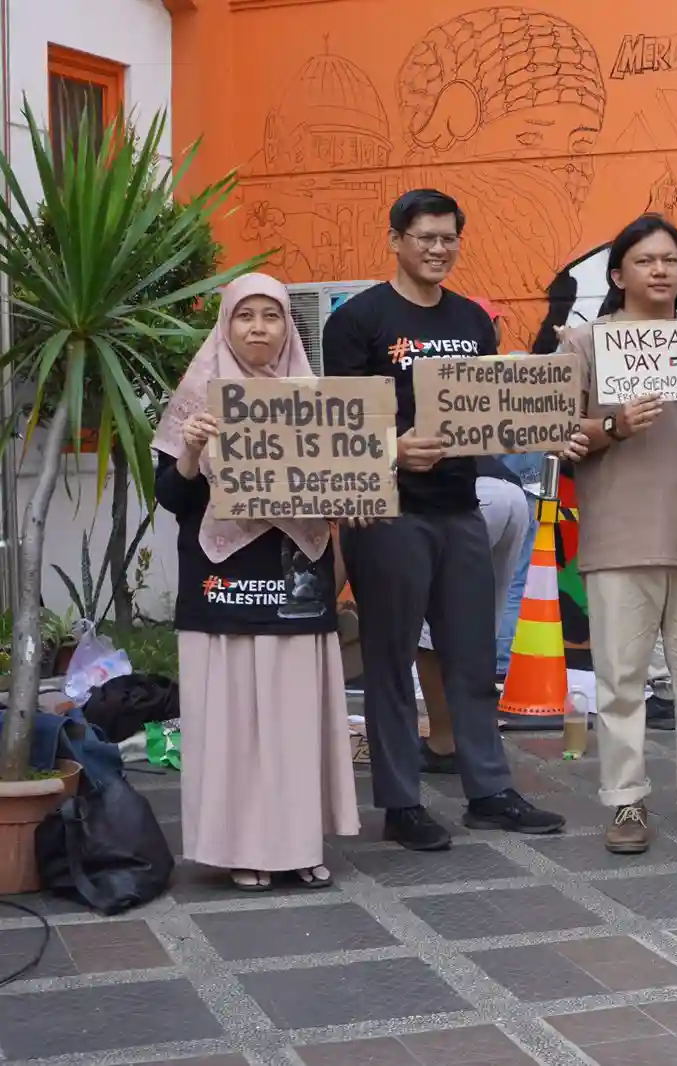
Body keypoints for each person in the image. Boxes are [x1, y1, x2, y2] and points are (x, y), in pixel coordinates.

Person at [323, 188, 579, 850]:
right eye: (425, 237)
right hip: (387, 515)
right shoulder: (356, 322)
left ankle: (489, 791)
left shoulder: (472, 321)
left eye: (448, 239)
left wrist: (539, 426)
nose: (438, 249)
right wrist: (393, 449)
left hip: (461, 508)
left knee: (470, 658)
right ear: (396, 240)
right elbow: (340, 429)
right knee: (389, 662)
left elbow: (490, 413)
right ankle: (401, 802)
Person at [154, 273, 360, 891]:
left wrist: (359, 489)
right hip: (224, 581)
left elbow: (346, 485)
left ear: (287, 326)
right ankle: (242, 848)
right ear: (226, 324)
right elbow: (171, 496)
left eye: (271, 316)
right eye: (246, 316)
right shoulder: (196, 399)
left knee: (296, 720)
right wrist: (190, 453)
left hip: (295, 576)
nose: (259, 328)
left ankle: (298, 844)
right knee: (235, 722)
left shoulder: (316, 398)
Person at [557, 213, 677, 855]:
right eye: (645, 260)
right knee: (620, 680)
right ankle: (626, 802)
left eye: (670, 260)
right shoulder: (583, 344)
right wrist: (613, 426)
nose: (660, 270)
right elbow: (560, 437)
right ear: (617, 274)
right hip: (615, 535)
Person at [418, 464, 530, 772]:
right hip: (510, 492)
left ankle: (444, 743)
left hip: (463, 495)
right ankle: (479, 744)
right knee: (481, 626)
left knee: (428, 630)